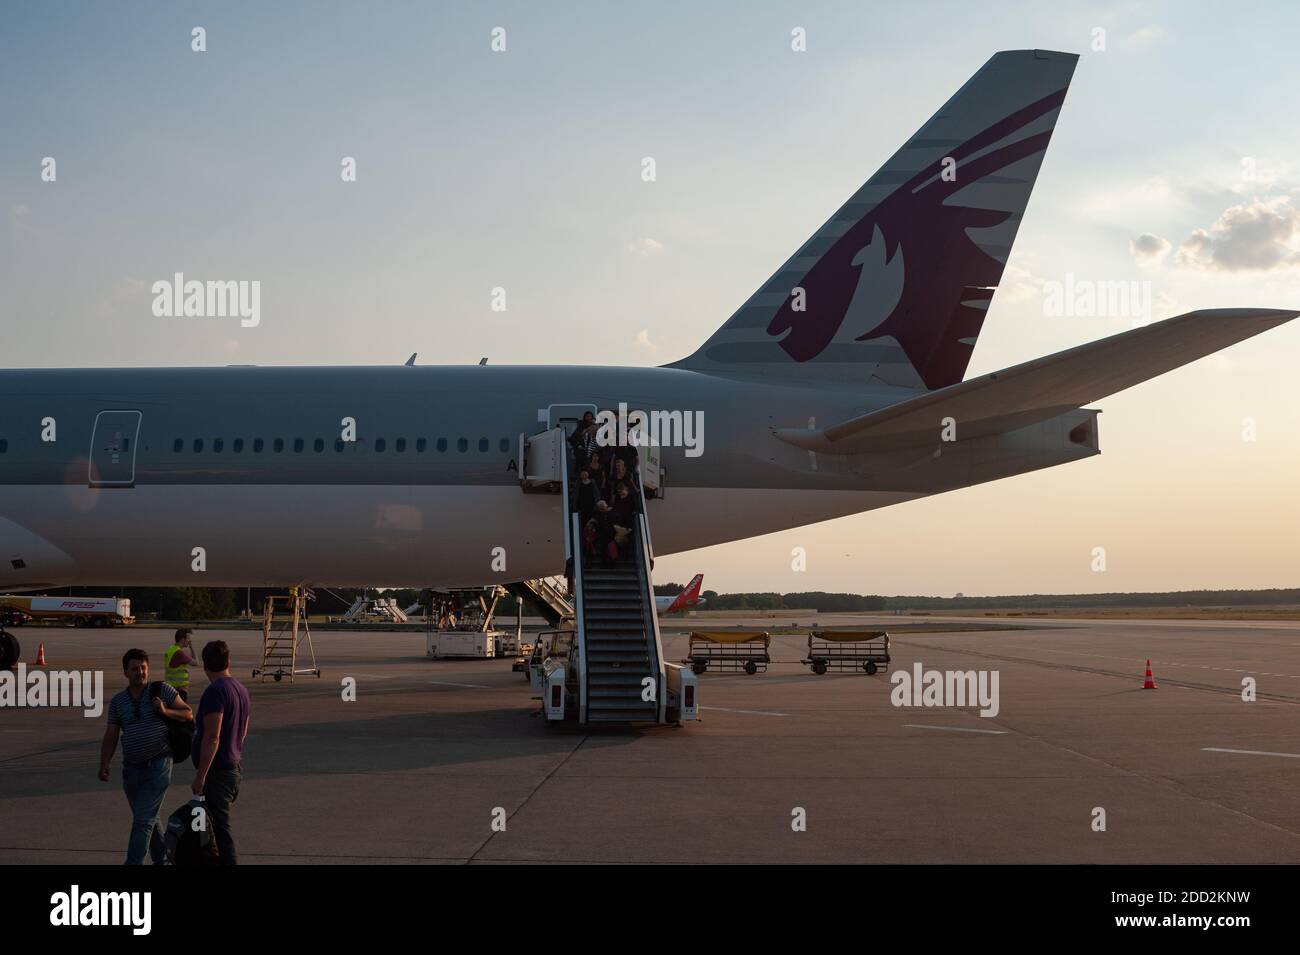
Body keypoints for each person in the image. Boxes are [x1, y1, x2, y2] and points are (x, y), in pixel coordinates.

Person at [99, 648, 192, 864]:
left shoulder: (162, 691)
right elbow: (111, 735)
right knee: (148, 819)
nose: (140, 672)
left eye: (143, 668)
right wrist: (104, 763)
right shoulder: (118, 702)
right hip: (131, 769)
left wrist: (165, 711)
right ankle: (164, 860)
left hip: (159, 763)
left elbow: (187, 712)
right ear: (125, 672)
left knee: (143, 821)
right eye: (134, 669)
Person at [191, 640, 251, 865]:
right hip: (233, 767)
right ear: (228, 661)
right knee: (216, 832)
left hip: (218, 774)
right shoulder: (241, 689)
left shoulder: (215, 692)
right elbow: (243, 730)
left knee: (220, 834)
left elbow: (212, 737)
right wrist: (233, 748)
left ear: (206, 665)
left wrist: (201, 776)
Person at [164, 628, 196, 701]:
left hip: (171, 688)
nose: (189, 641)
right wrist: (191, 647)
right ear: (182, 639)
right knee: (185, 711)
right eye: (188, 639)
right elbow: (196, 663)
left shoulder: (171, 649)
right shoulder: (179, 653)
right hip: (179, 691)